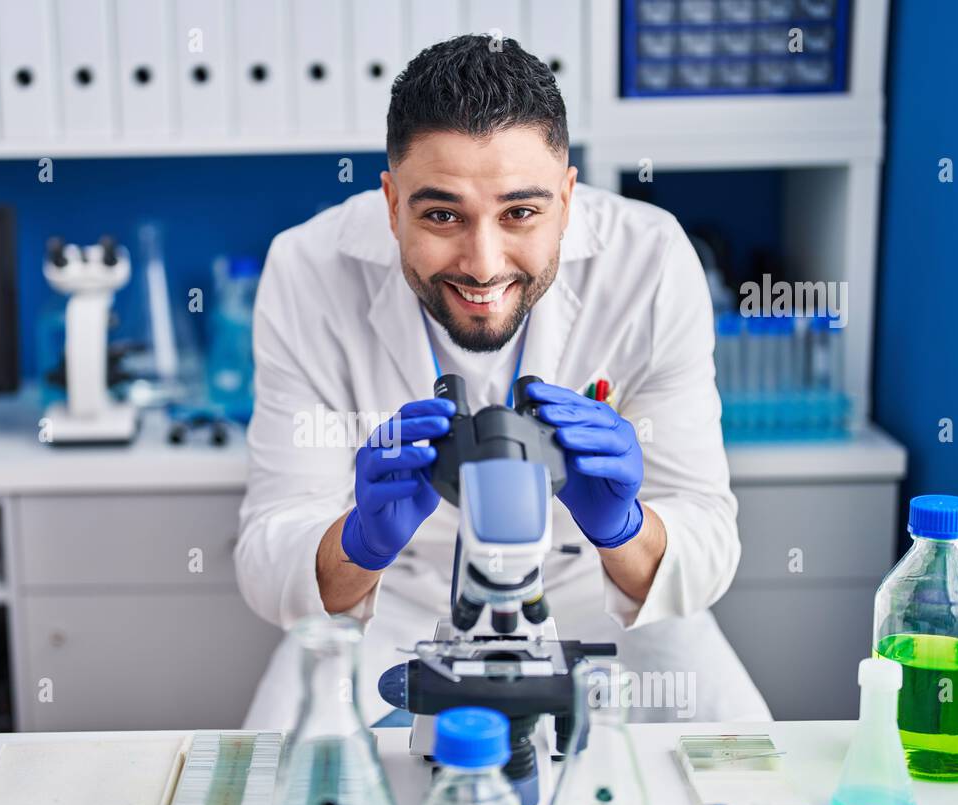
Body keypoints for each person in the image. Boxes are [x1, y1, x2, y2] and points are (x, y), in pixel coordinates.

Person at [237, 35, 769, 729]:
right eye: (441, 215)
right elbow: (268, 557)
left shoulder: (651, 260)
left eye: (521, 212)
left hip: (593, 593)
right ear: (392, 202)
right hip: (396, 606)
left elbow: (707, 544)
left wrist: (624, 527)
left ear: (567, 198)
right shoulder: (307, 268)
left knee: (744, 791)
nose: (483, 264)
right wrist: (360, 540)